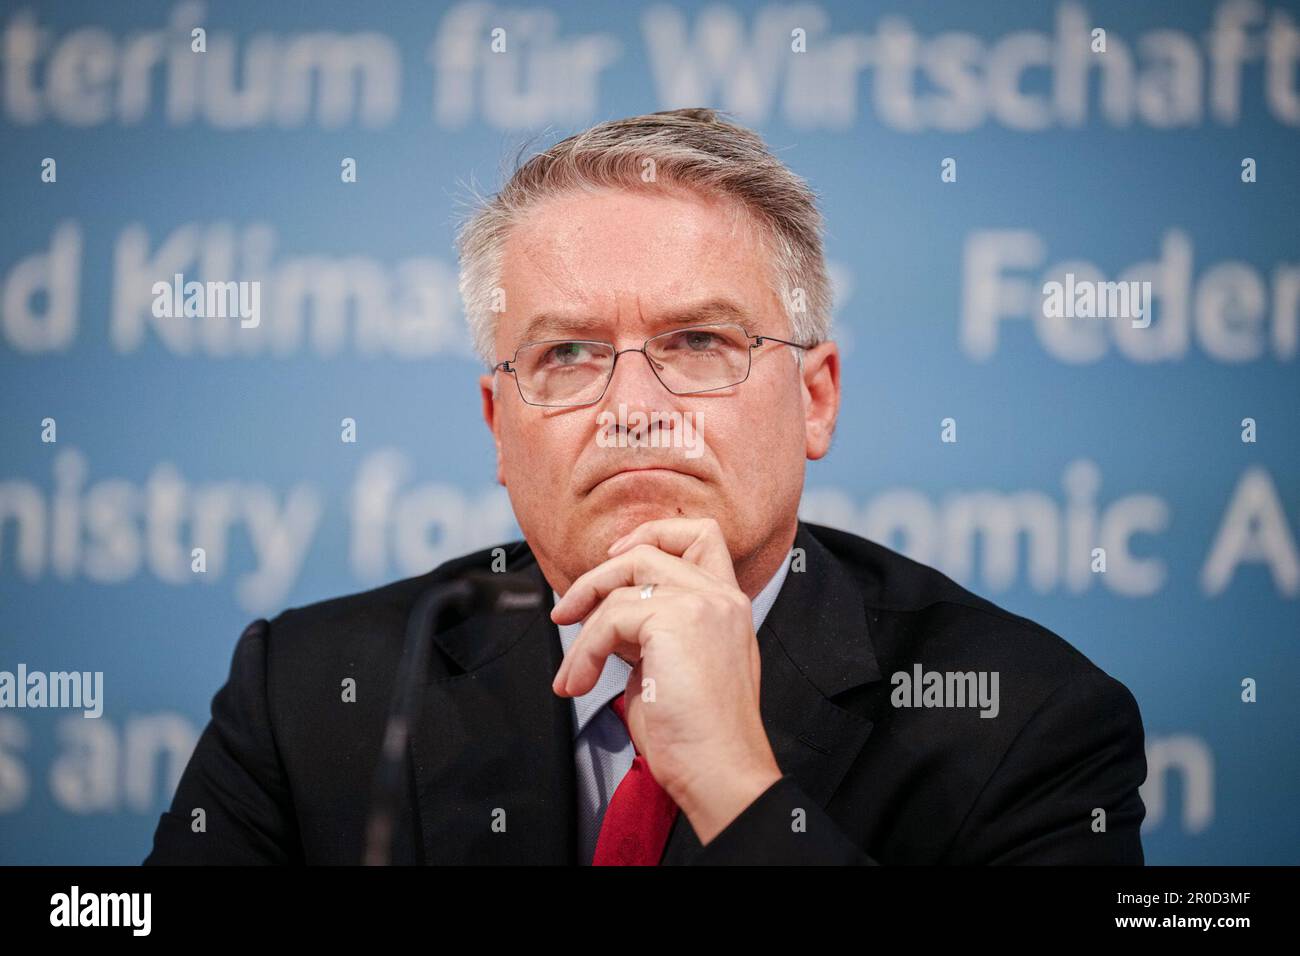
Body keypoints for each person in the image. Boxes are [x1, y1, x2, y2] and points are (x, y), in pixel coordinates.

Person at [144, 108, 1146, 865]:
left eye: (699, 341)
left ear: (815, 399)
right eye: (567, 354)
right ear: (499, 427)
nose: (632, 410)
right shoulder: (307, 694)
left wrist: (737, 787)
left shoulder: (1026, 722)